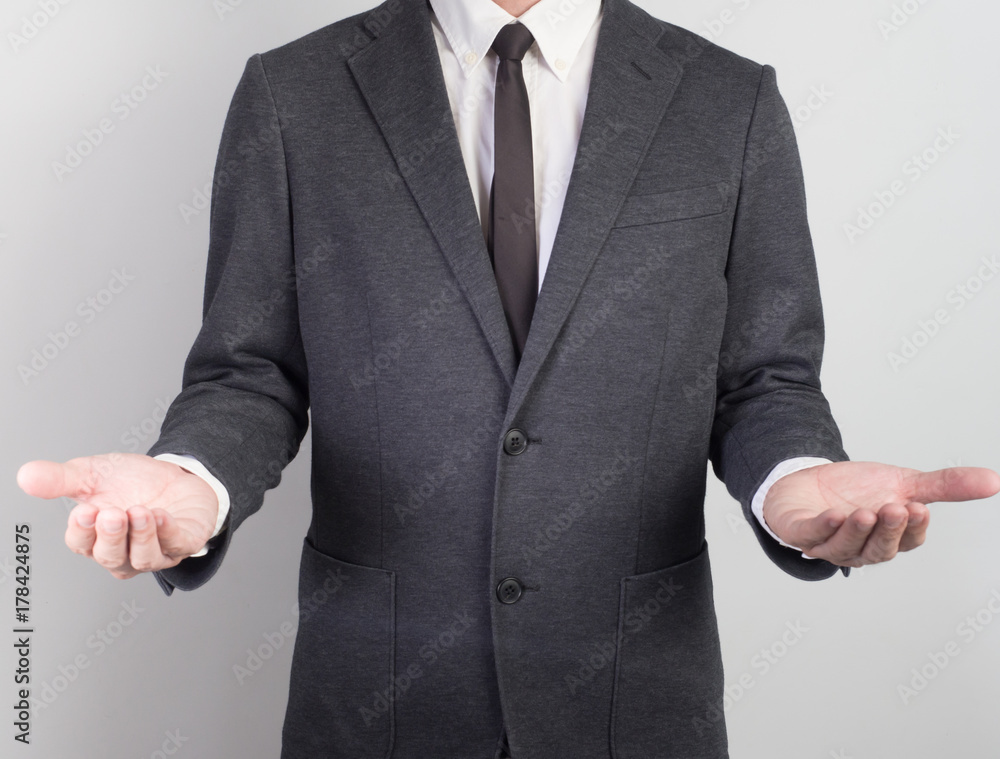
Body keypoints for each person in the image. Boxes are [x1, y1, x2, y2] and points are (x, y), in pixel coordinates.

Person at [17, 0, 999, 757]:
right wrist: (195, 477)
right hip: (379, 695)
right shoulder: (296, 93)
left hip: (632, 695)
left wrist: (793, 481)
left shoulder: (727, 102)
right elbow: (250, 367)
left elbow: (763, 379)